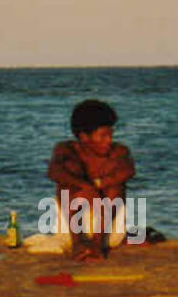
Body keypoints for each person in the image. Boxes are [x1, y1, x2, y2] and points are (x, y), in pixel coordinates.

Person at [46, 99, 136, 262]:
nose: (109, 140)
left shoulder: (119, 151)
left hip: (108, 231)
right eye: (103, 136)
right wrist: (85, 187)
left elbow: (128, 170)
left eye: (111, 135)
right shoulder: (67, 150)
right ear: (84, 137)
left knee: (115, 187)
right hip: (69, 228)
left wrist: (97, 186)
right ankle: (78, 243)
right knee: (67, 182)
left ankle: (96, 243)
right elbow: (54, 171)